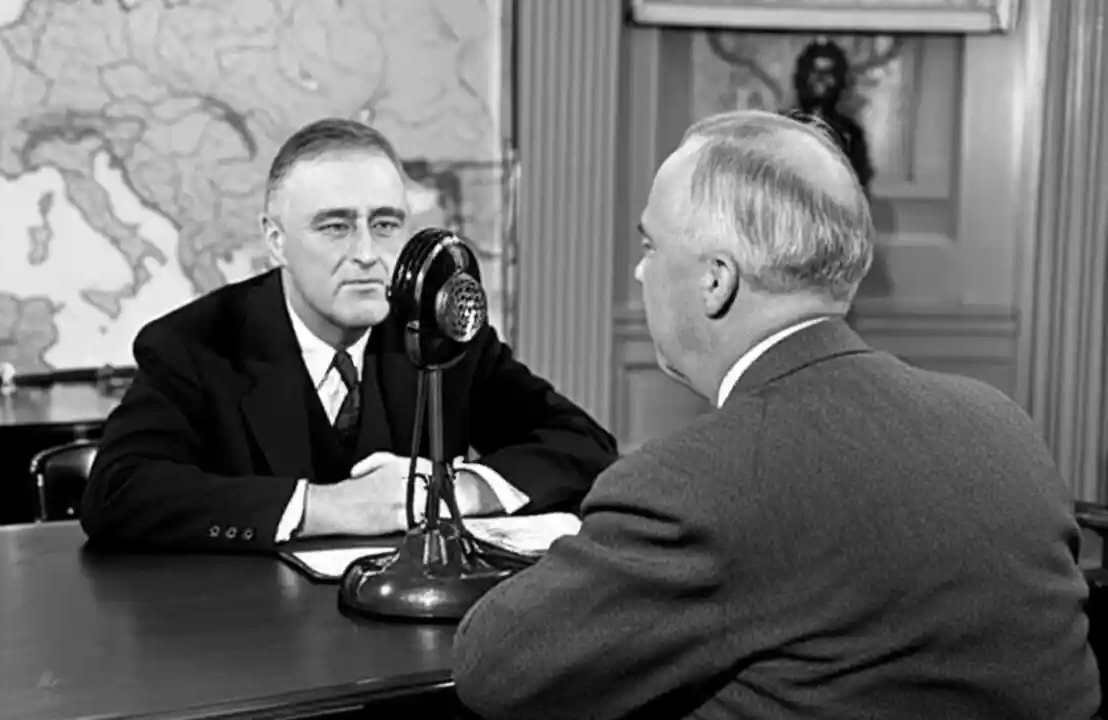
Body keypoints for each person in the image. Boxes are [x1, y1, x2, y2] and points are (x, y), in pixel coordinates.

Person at [452, 110, 1099, 719]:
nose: (640, 273)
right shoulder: (1000, 423)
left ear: (716, 280)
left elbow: (494, 666)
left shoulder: (705, 482)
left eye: (650, 247)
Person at [80, 117, 618, 551]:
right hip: (258, 644)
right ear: (275, 240)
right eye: (335, 226)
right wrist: (331, 506)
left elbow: (584, 444)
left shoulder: (440, 334)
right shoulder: (195, 343)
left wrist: (453, 492)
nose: (366, 253)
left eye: (384, 225)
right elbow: (118, 492)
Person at [783, 38, 873, 194]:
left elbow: (859, 192)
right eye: (815, 72)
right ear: (802, 77)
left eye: (828, 73)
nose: (821, 80)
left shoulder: (850, 134)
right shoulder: (781, 127)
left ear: (840, 81)